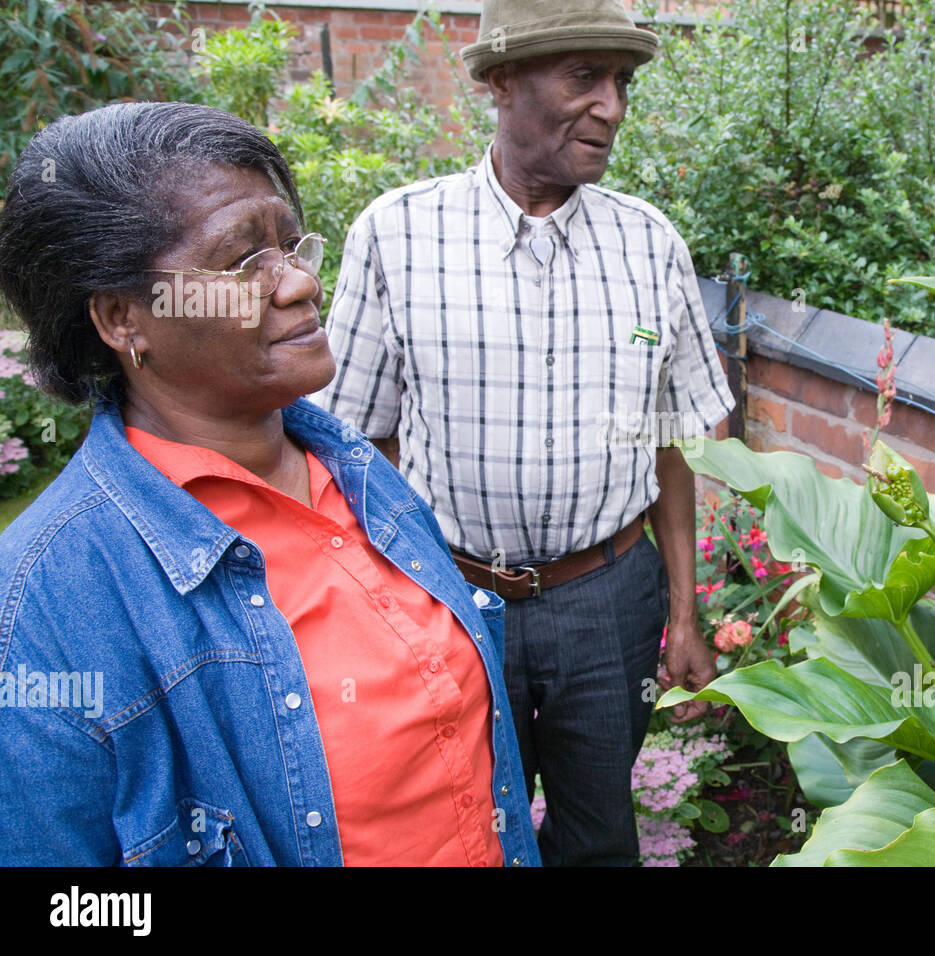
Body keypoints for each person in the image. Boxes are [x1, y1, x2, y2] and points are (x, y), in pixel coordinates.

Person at [0, 101, 539, 867]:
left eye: (293, 245)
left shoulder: (356, 472)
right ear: (123, 319)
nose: (299, 283)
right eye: (243, 262)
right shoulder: (49, 604)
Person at [315, 0, 735, 866]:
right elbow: (359, 448)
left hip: (609, 603)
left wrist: (685, 614)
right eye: (585, 76)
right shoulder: (395, 235)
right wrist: (385, 603)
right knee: (462, 831)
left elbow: (671, 450)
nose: (612, 105)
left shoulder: (649, 245)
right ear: (501, 82)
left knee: (597, 836)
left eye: (620, 82)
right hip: (452, 597)